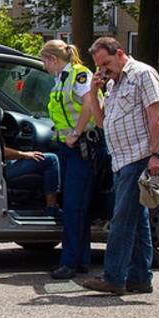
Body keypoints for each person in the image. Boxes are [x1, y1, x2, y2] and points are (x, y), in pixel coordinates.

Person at [80, 36, 159, 295]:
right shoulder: (112, 84)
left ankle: (114, 277)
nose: (103, 70)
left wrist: (156, 155)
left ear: (120, 54)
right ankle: (140, 277)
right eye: (99, 66)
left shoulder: (142, 74)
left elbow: (155, 117)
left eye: (106, 63)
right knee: (137, 221)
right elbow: (101, 122)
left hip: (137, 157)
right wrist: (93, 91)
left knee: (122, 220)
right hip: (120, 159)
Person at [40, 39, 103, 279]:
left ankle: (69, 262)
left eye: (44, 61)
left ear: (52, 59)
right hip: (69, 147)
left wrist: (76, 132)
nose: (43, 66)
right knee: (77, 207)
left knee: (74, 207)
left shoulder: (79, 74)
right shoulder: (61, 79)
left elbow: (90, 103)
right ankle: (81, 260)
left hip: (82, 146)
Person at [3, 145, 61, 210]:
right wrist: (25, 154)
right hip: (2, 169)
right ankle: (51, 208)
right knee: (51, 159)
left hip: (4, 164)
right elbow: (2, 151)